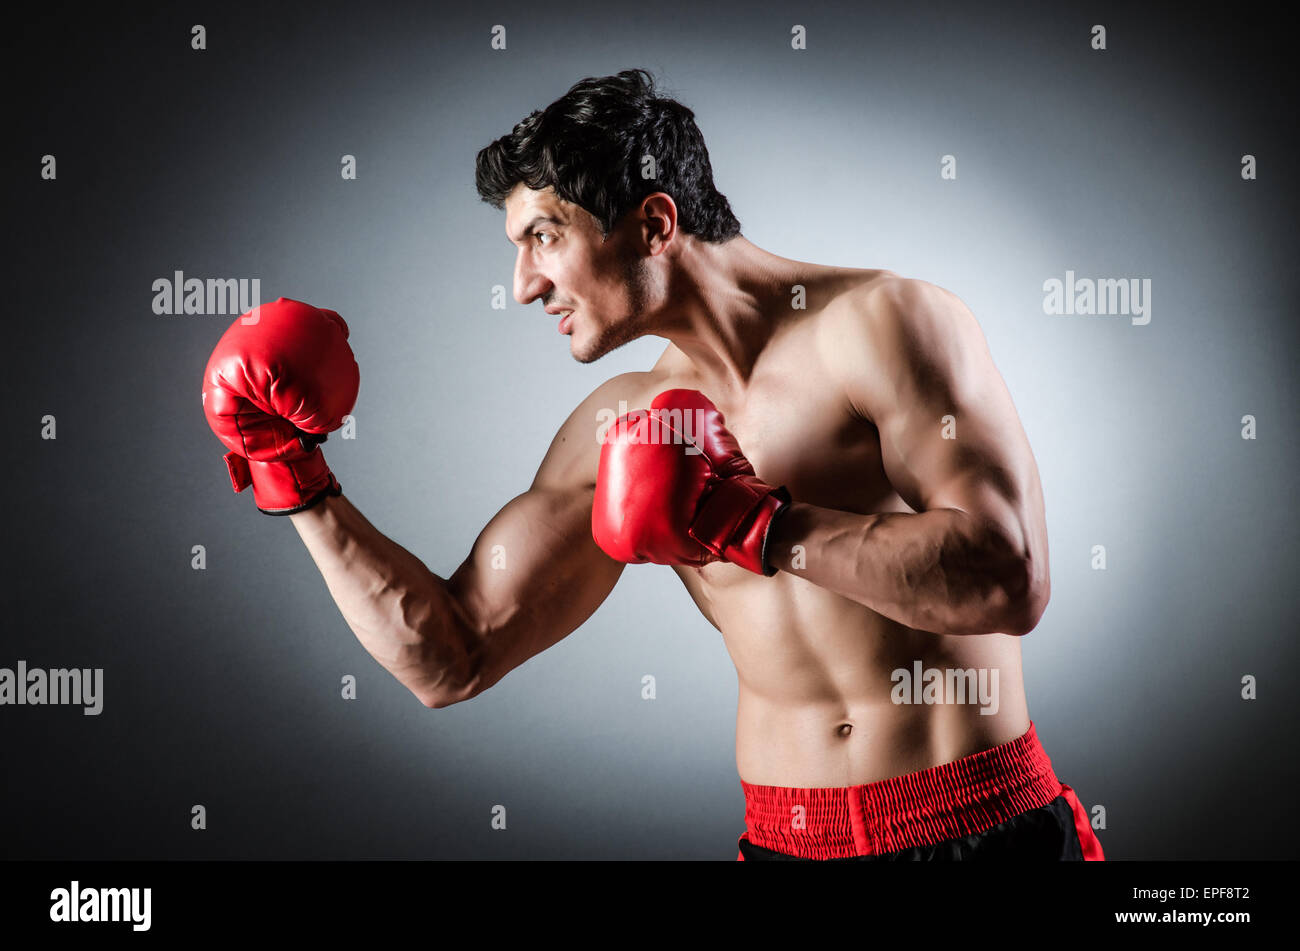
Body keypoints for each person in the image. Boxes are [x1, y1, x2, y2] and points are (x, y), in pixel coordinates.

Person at [201, 69, 1103, 861]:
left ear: (654, 221)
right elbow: (453, 659)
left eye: (543, 237)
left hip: (977, 834)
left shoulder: (882, 324)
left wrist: (757, 524)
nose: (522, 284)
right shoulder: (620, 424)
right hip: (787, 841)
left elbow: (1009, 577)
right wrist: (295, 476)